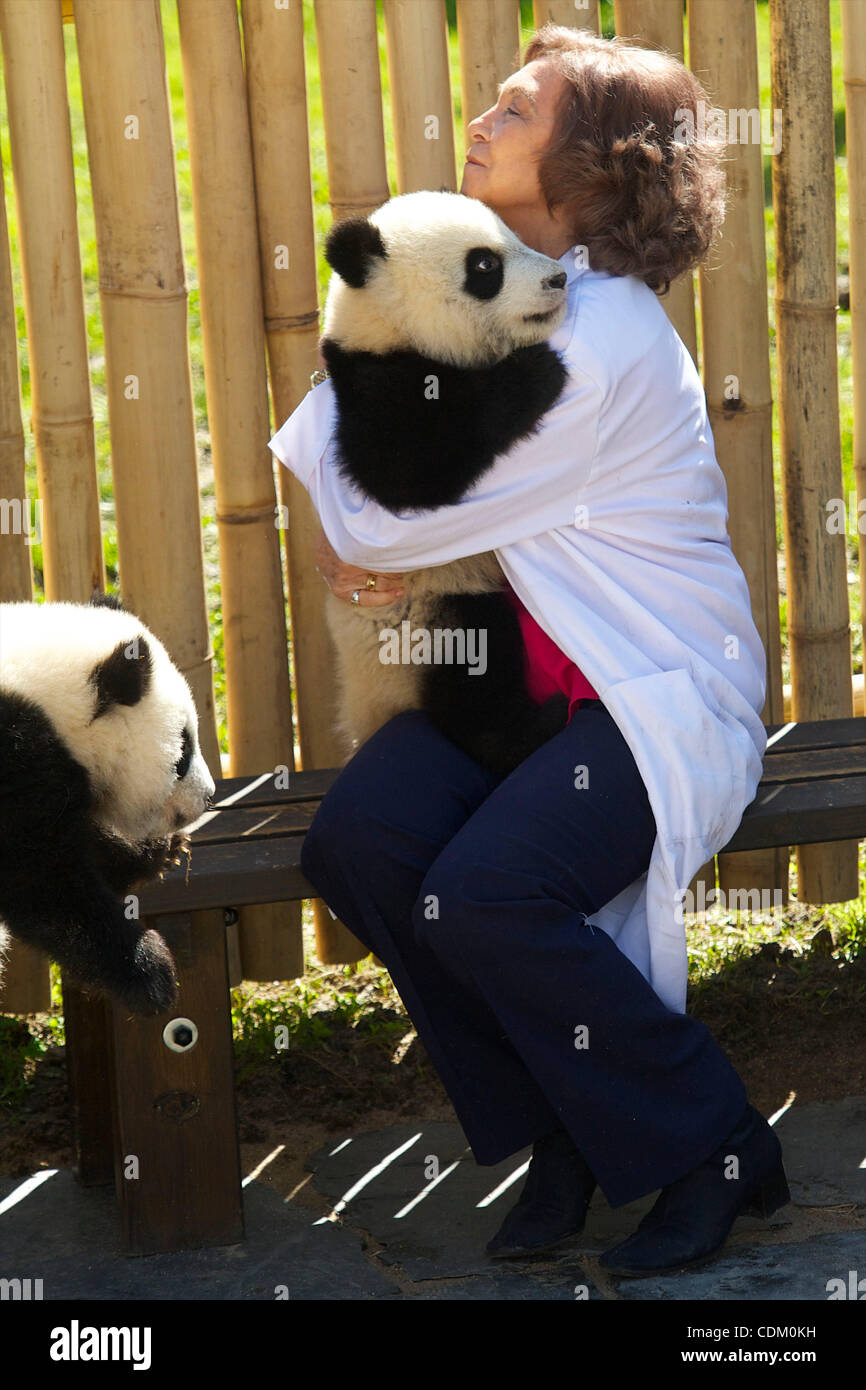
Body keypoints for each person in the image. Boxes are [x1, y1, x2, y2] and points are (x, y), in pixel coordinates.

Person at [268, 23, 790, 1278]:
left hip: (642, 700)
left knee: (483, 894)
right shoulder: (500, 281)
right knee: (363, 843)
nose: (480, 121)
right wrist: (370, 517)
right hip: (510, 697)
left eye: (516, 108)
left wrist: (376, 525)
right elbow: (331, 435)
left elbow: (375, 502)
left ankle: (711, 1144)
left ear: (591, 166)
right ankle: (564, 1124)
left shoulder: (594, 342)